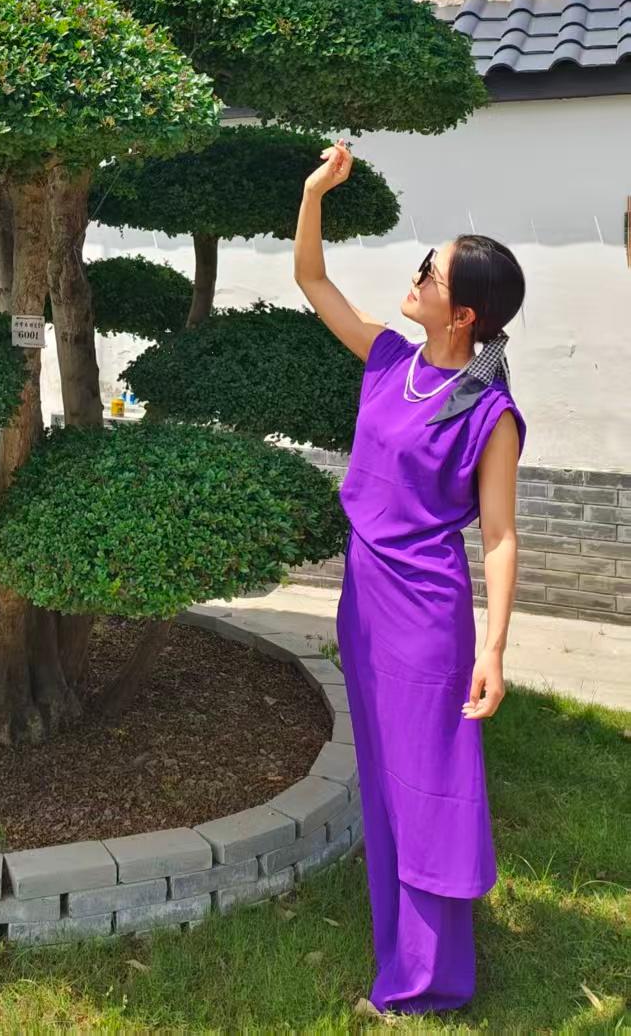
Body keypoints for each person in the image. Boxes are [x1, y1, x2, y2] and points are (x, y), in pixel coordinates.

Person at [293, 139, 526, 1021]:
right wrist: (313, 195)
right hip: (364, 599)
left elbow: (498, 536)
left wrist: (492, 650)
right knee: (387, 779)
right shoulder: (390, 360)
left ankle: (429, 978)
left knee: (429, 785)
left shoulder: (489, 413)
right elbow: (313, 281)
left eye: (429, 272)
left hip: (427, 616)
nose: (415, 275)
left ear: (460, 315)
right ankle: (399, 942)